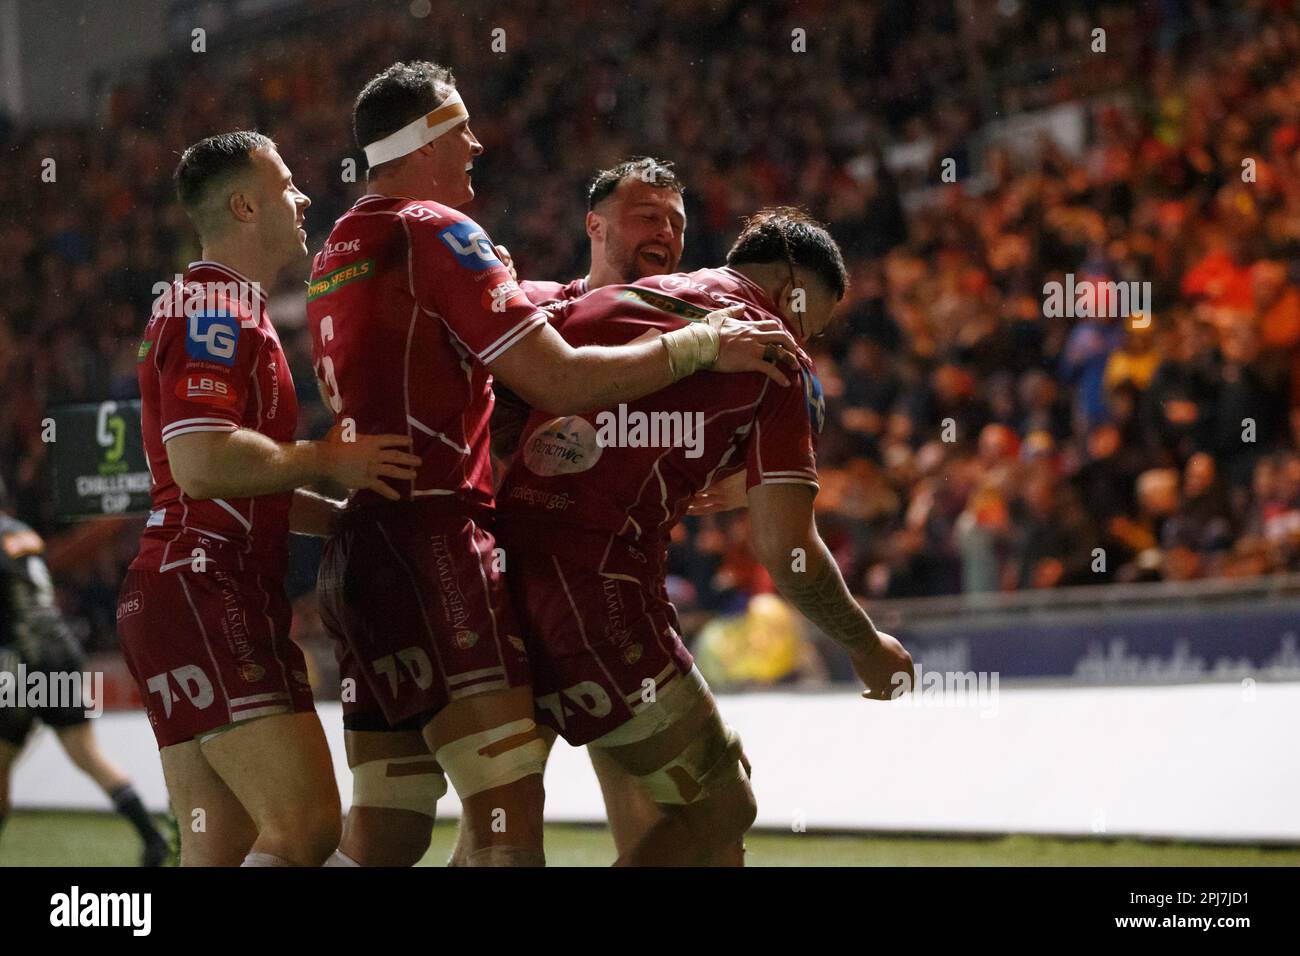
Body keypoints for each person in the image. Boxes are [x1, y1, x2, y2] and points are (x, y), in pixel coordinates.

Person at [309, 61, 797, 867]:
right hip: (458, 555)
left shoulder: (340, 246)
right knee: (515, 825)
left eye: (674, 219)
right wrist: (705, 342)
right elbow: (561, 377)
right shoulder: (441, 234)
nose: (476, 141)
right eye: (459, 127)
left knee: (384, 832)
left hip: (374, 558)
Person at [495, 207, 914, 865]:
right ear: (790, 288)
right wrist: (864, 645)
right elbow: (789, 552)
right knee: (725, 807)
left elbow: (513, 406)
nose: (807, 339)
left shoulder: (610, 299)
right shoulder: (776, 352)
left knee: (504, 831)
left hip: (495, 571)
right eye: (813, 320)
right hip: (599, 590)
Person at [116, 131, 421, 867]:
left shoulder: (218, 304)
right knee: (309, 825)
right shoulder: (216, 307)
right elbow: (202, 462)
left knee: (222, 846)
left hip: (175, 593)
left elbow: (248, 486)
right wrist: (329, 457)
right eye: (286, 184)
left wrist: (340, 519)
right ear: (245, 204)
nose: (305, 194)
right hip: (205, 586)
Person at [0, 484, 169, 865]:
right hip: (59, 649)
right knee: (88, 754)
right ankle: (151, 836)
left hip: (17, 662)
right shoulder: (22, 535)